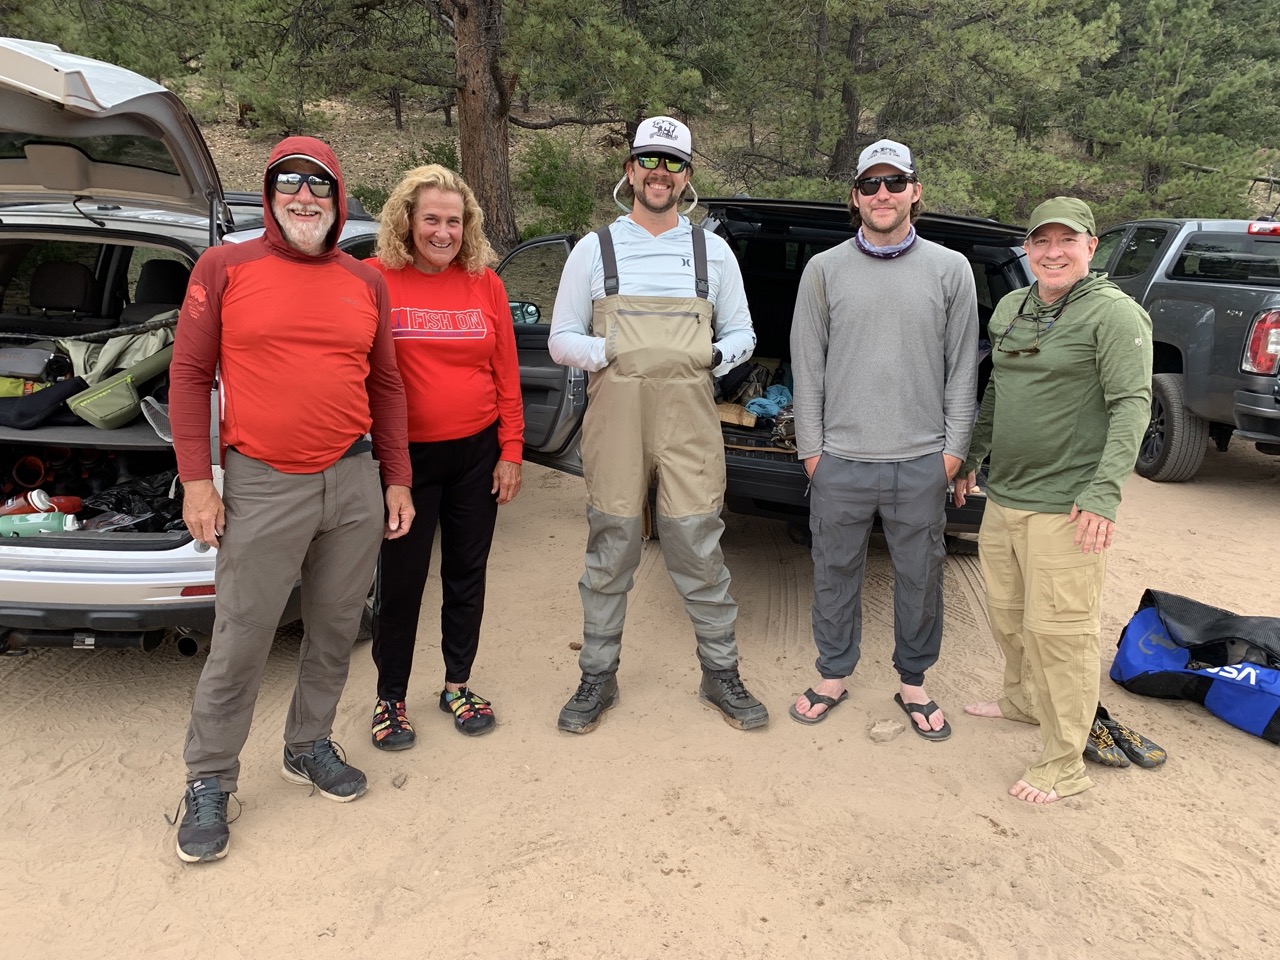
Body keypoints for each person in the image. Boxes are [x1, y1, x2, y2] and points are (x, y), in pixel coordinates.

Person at [168, 136, 415, 862]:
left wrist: (395, 476)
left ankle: (307, 745)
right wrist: (197, 479)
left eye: (319, 187)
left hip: (352, 478)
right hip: (262, 480)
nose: (304, 199)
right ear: (270, 195)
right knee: (243, 636)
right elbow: (188, 376)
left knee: (336, 628)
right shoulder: (226, 266)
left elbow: (387, 385)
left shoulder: (364, 280)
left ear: (338, 201)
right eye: (289, 186)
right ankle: (209, 778)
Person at [548, 115, 765, 733]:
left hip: (689, 418)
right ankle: (597, 676)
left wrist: (711, 356)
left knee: (698, 543)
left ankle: (720, 673)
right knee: (612, 544)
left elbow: (744, 334)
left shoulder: (712, 251)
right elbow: (562, 338)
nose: (659, 173)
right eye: (649, 160)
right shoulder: (595, 249)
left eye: (672, 163)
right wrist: (607, 352)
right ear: (630, 170)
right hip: (616, 416)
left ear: (687, 175)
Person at [954, 196, 1152, 803]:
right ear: (1028, 250)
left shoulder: (1114, 315)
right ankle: (1021, 700)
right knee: (1009, 616)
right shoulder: (1012, 306)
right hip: (1005, 494)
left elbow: (1131, 406)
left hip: (1067, 505)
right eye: (1041, 241)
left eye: (1067, 241)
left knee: (1061, 635)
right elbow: (999, 393)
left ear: (1092, 248)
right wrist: (971, 458)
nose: (1052, 252)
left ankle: (1064, 761)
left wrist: (1103, 494)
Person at [789, 138, 978, 738]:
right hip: (840, 460)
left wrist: (951, 452)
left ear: (915, 192)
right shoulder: (824, 270)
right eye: (870, 184)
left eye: (895, 182)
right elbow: (807, 365)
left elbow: (962, 369)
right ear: (855, 197)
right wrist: (812, 451)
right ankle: (833, 673)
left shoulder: (952, 270)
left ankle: (913, 680)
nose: (883, 194)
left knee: (921, 574)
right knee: (833, 569)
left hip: (922, 459)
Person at [365, 165, 523, 748]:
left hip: (476, 455)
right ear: (406, 220)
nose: (442, 231)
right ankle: (390, 698)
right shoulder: (374, 279)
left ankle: (458, 683)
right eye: (430, 218)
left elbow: (507, 373)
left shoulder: (485, 283)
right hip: (404, 462)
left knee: (466, 575)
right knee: (402, 581)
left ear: (468, 226)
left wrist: (511, 450)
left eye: (454, 221)